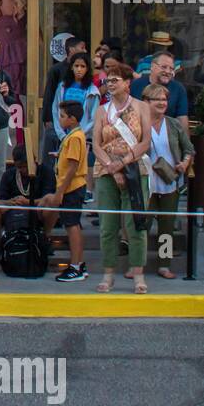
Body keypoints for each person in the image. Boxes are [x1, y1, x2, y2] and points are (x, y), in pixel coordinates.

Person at [91, 62, 152, 294]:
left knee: (135, 224)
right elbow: (96, 144)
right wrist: (112, 167)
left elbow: (145, 141)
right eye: (108, 80)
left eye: (115, 80)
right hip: (106, 171)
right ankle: (108, 274)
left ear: (127, 83)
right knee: (108, 225)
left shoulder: (141, 107)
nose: (110, 84)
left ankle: (138, 274)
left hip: (136, 169)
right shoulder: (101, 110)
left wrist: (124, 162)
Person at [140, 83, 194, 280]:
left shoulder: (173, 124)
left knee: (167, 226)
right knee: (142, 225)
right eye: (157, 99)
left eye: (164, 99)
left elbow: (189, 149)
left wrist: (185, 162)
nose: (162, 103)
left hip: (169, 182)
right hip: (146, 183)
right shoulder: (138, 123)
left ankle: (164, 264)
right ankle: (137, 264)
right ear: (146, 102)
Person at [42, 101, 89, 281]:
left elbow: (72, 166)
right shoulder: (72, 136)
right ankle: (78, 264)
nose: (59, 120)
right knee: (72, 224)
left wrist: (60, 192)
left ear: (72, 119)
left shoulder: (76, 137)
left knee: (72, 226)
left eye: (62, 116)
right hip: (70, 187)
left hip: (72, 188)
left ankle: (76, 266)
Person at [50, 52, 100, 197]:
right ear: (71, 67)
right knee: (63, 163)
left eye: (82, 66)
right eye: (76, 66)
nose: (79, 69)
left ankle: (85, 191)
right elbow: (55, 110)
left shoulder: (92, 90)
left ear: (87, 69)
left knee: (78, 164)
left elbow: (93, 116)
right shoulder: (63, 87)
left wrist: (80, 132)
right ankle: (62, 189)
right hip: (64, 134)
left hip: (81, 135)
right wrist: (60, 133)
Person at [41, 34, 86, 154]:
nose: (85, 51)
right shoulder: (57, 70)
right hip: (58, 119)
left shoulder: (86, 73)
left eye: (82, 67)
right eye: (82, 48)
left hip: (79, 122)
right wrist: (48, 119)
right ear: (71, 50)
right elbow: (49, 95)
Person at [130, 52, 189, 131]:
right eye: (164, 67)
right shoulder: (136, 85)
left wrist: (185, 142)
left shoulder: (178, 89)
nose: (168, 71)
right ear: (152, 66)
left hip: (168, 137)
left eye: (171, 68)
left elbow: (182, 118)